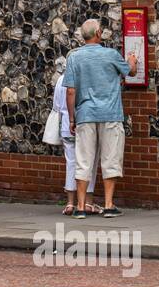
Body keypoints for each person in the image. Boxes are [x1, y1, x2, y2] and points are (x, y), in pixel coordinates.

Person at [63, 18, 139, 219]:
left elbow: (70, 91)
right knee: (110, 159)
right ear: (98, 33)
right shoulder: (111, 55)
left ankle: (80, 206)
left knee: (83, 160)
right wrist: (132, 59)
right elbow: (130, 71)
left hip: (85, 115)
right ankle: (108, 204)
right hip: (110, 114)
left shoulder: (74, 58)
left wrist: (72, 118)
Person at [50, 56, 90, 216]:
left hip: (66, 125)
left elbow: (57, 106)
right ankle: (87, 202)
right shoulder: (82, 79)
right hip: (83, 123)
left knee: (71, 162)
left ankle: (70, 203)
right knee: (87, 163)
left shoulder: (60, 80)